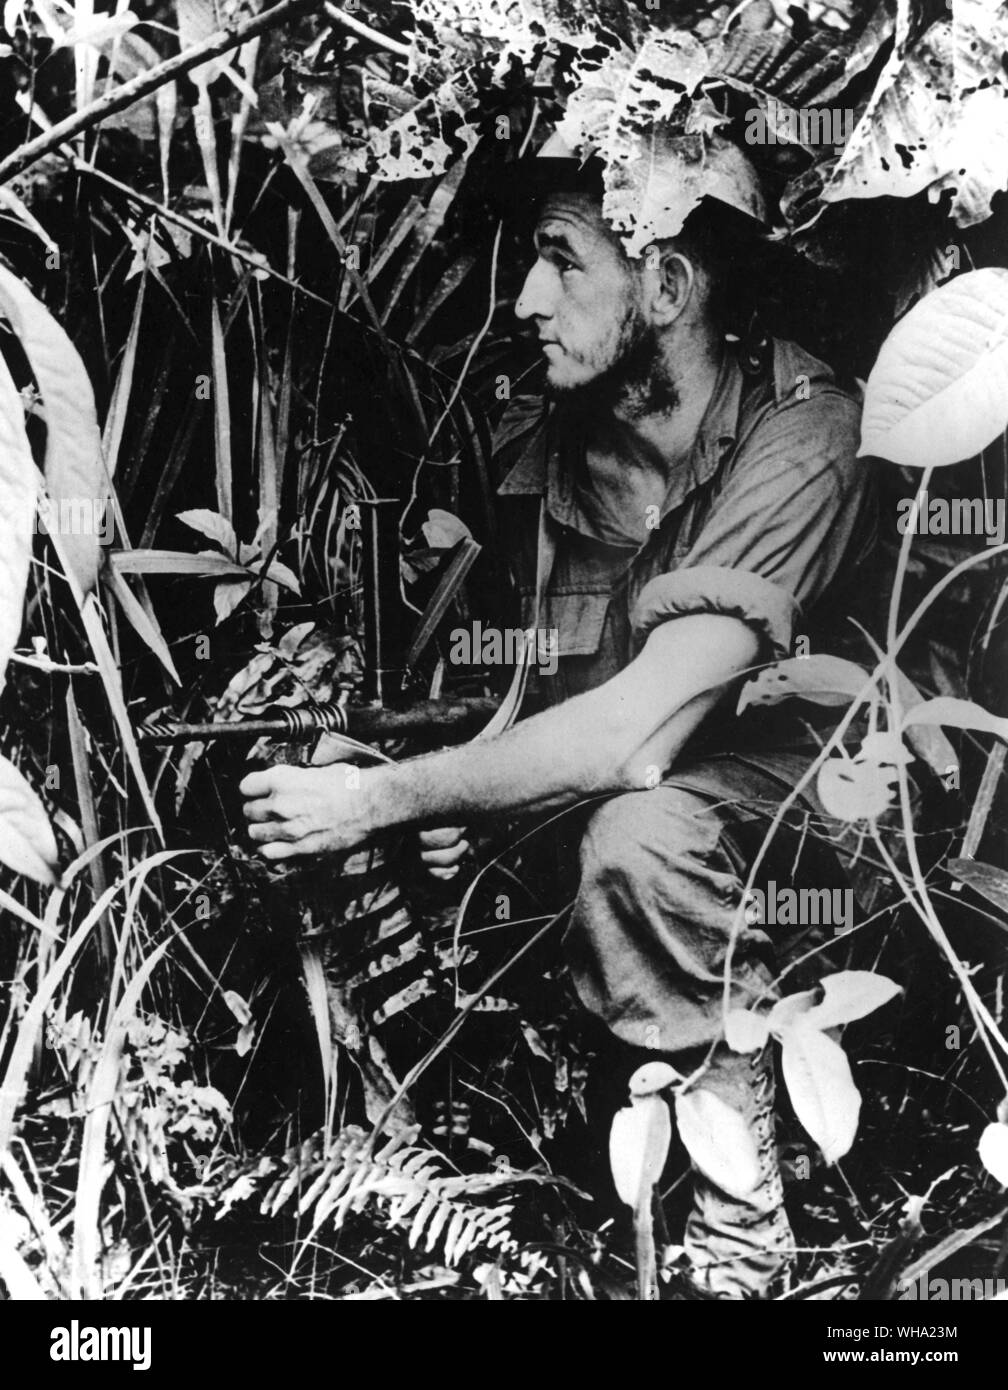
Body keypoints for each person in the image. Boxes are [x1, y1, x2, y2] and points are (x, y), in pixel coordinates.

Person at [240, 133, 876, 1298]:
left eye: (561, 261)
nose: (525, 300)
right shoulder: (538, 453)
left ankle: (747, 1245)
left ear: (668, 286)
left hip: (833, 817)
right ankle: (486, 1162)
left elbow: (633, 738)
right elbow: (537, 698)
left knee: (646, 839)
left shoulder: (807, 430)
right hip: (647, 800)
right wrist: (441, 784)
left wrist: (369, 799)